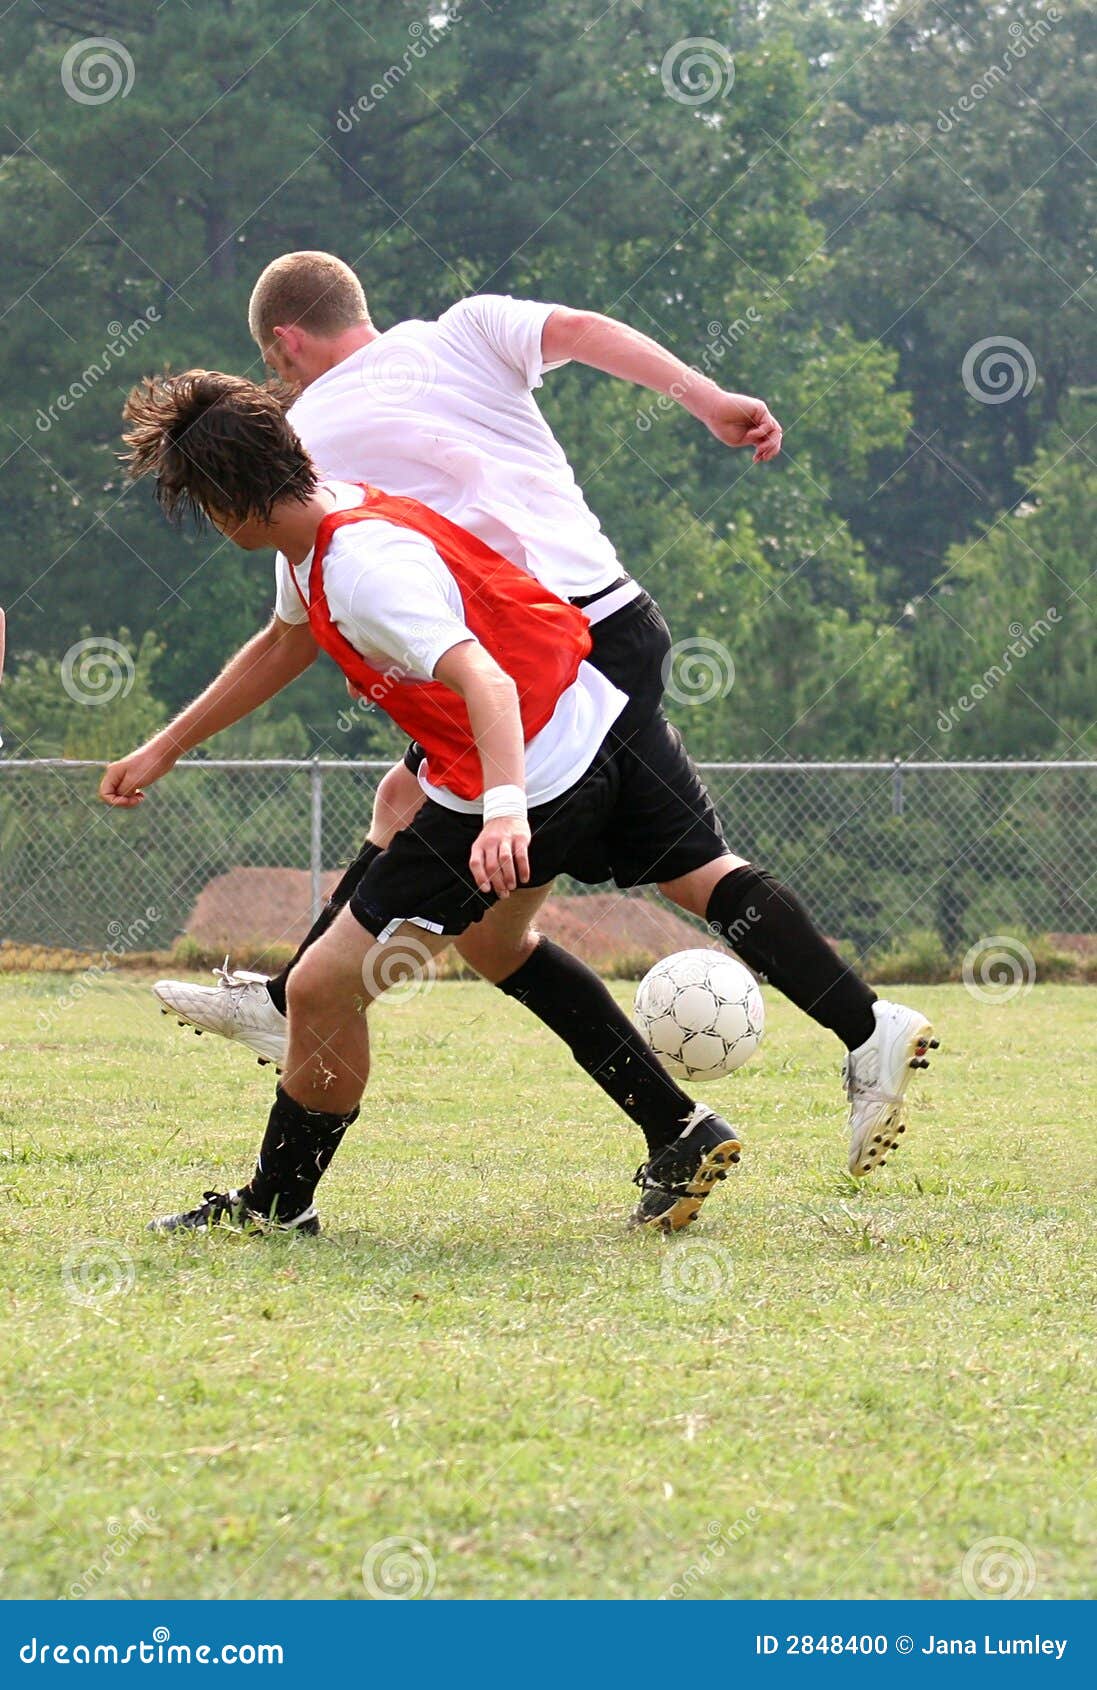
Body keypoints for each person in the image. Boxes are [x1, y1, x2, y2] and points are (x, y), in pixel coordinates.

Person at [150, 254, 935, 1181]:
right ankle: (843, 1037)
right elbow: (585, 333)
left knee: (442, 822)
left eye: (277, 370)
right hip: (619, 622)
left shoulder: (304, 437)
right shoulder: (466, 327)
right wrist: (707, 396)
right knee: (596, 881)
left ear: (284, 346)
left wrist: (164, 747)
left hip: (523, 653)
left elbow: (294, 636)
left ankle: (292, 1005)